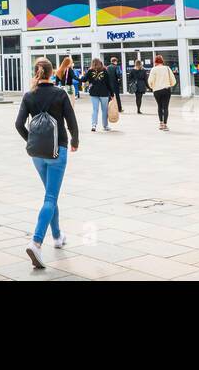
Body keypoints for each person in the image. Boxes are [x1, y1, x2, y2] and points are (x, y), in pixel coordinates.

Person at [16, 57, 79, 268]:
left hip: (37, 154)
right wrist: (75, 142)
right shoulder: (60, 94)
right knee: (51, 197)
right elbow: (71, 121)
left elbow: (18, 124)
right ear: (52, 73)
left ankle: (58, 236)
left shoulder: (29, 95)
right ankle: (36, 242)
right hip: (57, 150)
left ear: (36, 73)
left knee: (49, 196)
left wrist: (30, 141)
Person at [82, 57, 117, 131]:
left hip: (94, 93)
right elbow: (108, 83)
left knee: (95, 110)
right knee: (104, 110)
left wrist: (77, 77)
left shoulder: (90, 71)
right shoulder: (104, 70)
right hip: (104, 93)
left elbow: (84, 80)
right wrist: (112, 93)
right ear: (100, 63)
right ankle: (105, 126)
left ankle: (94, 125)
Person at [147, 54, 177, 130]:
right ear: (162, 61)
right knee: (165, 107)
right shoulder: (167, 68)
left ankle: (160, 123)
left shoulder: (153, 69)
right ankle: (165, 124)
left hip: (157, 90)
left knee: (159, 106)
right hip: (166, 89)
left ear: (155, 61)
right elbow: (173, 80)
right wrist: (170, 85)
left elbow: (150, 81)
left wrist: (152, 87)